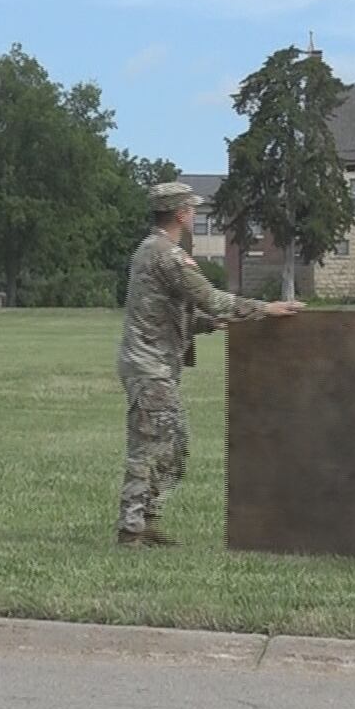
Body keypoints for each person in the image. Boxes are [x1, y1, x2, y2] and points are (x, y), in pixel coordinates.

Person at [116, 182, 302, 547]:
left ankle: (144, 521)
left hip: (150, 364)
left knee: (172, 445)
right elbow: (211, 298)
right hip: (150, 367)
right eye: (192, 208)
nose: (195, 213)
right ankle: (131, 529)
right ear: (181, 213)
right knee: (150, 446)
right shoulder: (169, 256)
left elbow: (163, 310)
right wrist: (266, 309)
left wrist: (205, 324)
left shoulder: (148, 250)